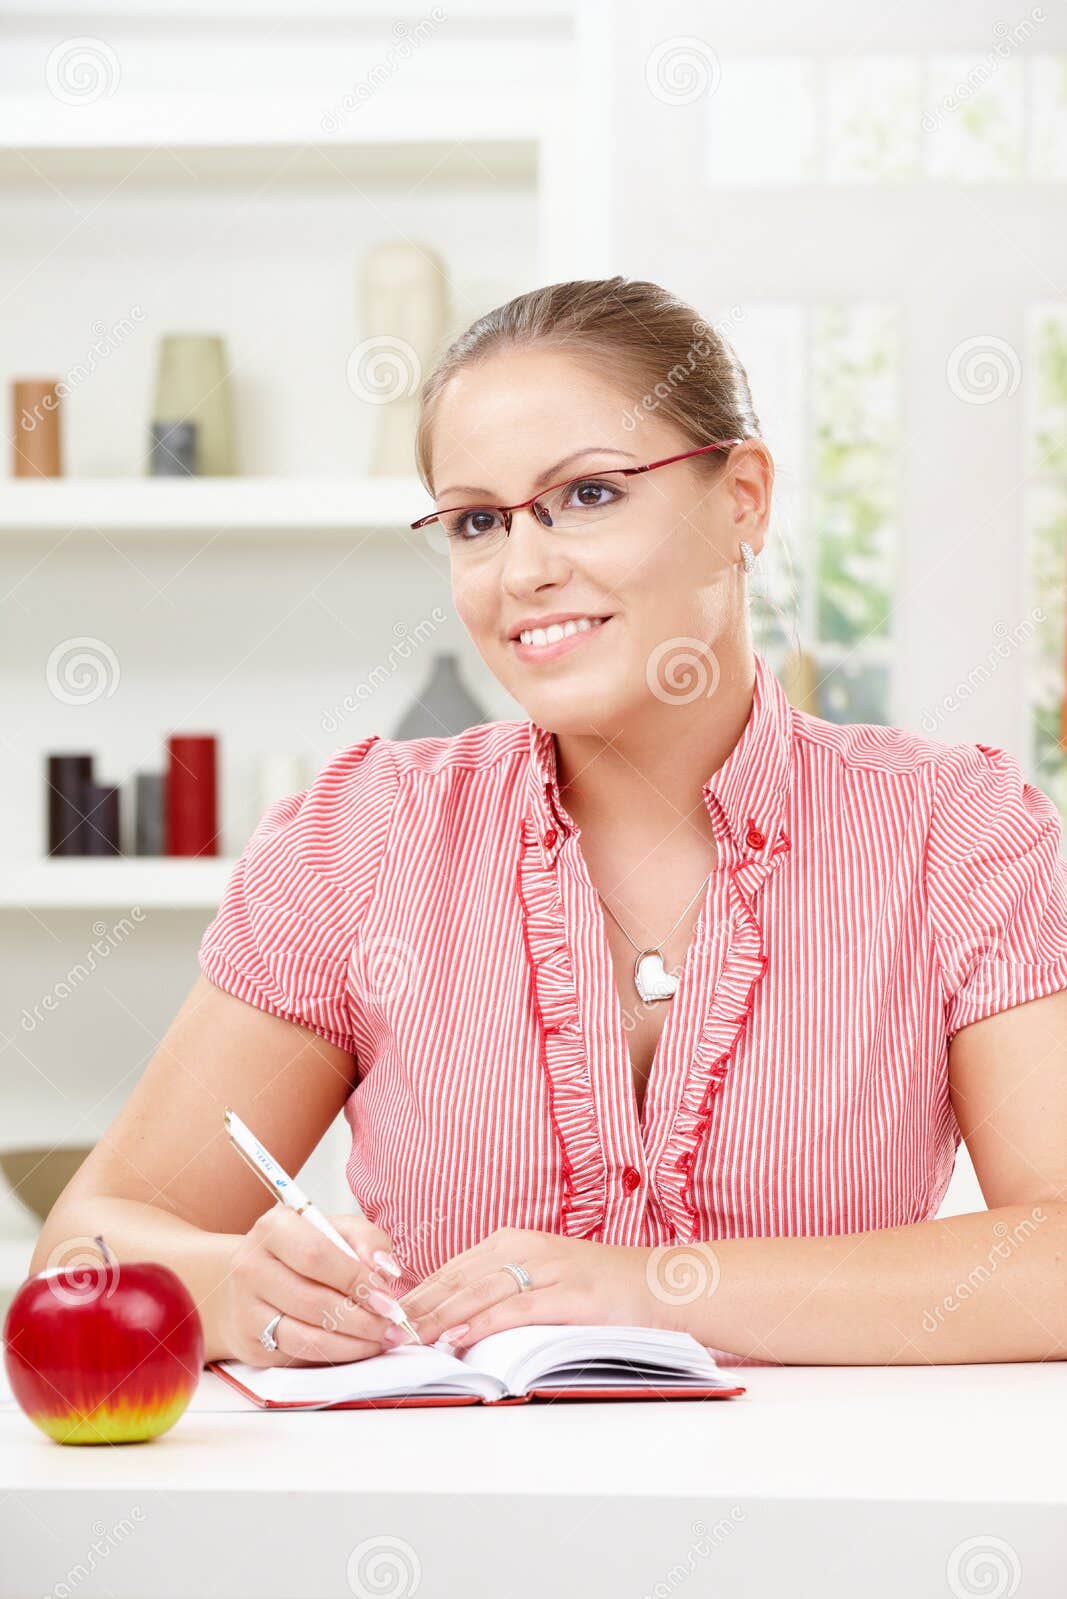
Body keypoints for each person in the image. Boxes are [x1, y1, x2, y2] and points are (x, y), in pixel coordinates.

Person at [31, 277, 1067, 1370]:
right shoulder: (357, 841)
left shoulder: (951, 831)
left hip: (821, 1523)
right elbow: (84, 1251)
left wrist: (651, 1289)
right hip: (440, 1526)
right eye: (478, 521)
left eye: (587, 495)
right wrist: (237, 1290)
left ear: (742, 499)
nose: (523, 570)